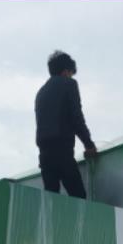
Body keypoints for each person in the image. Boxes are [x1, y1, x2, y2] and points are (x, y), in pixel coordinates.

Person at [34, 50, 97, 199]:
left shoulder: (40, 93)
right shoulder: (69, 84)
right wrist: (89, 144)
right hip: (62, 151)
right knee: (79, 199)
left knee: (51, 200)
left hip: (44, 155)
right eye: (71, 73)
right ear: (66, 71)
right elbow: (76, 118)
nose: (71, 76)